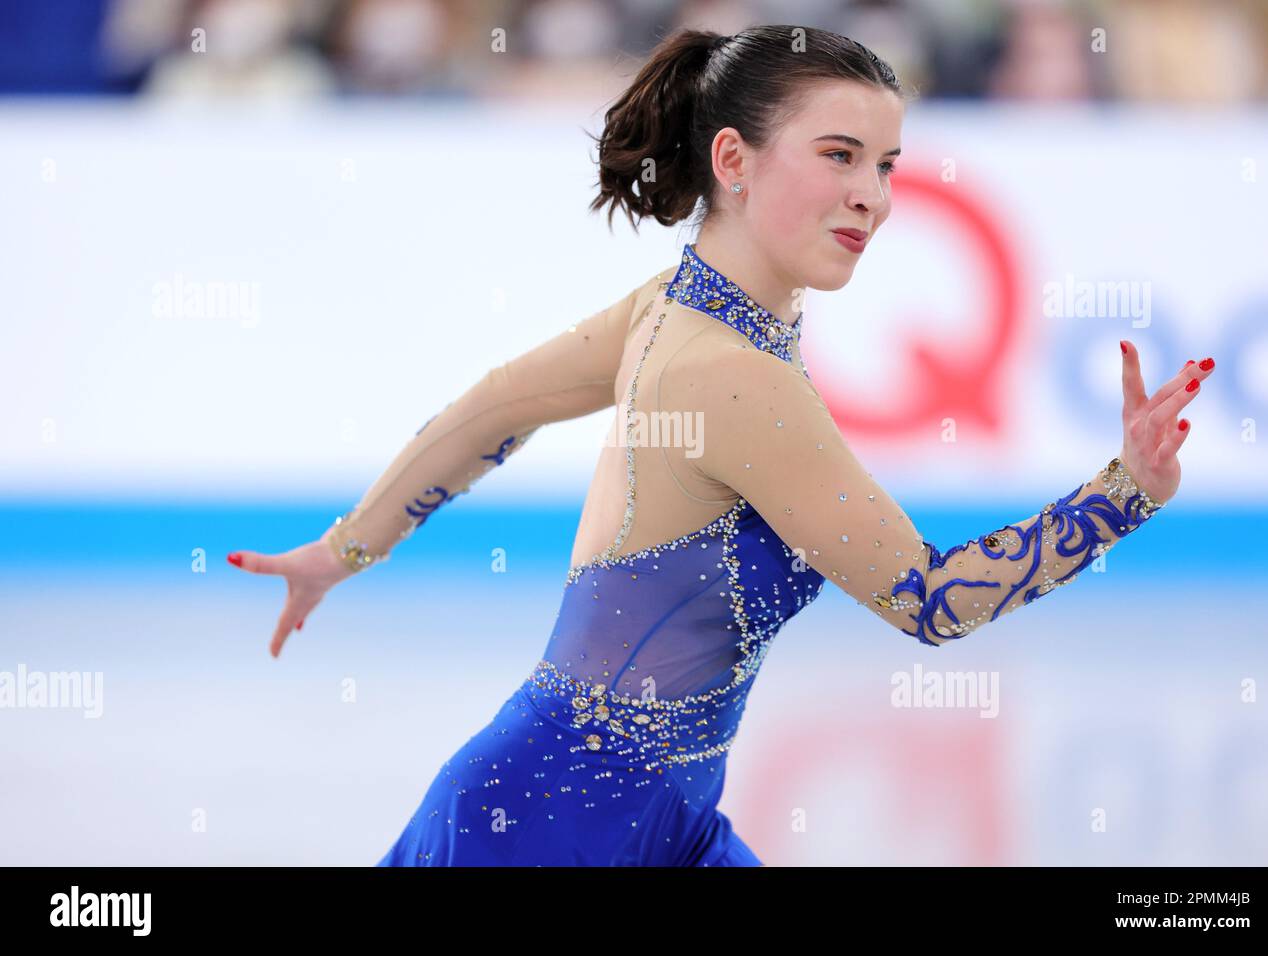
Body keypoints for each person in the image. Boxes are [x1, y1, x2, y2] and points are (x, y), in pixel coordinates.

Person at [229, 25, 1213, 866]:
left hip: (664, 816)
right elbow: (930, 598)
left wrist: (344, 547)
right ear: (733, 163)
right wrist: (1124, 492)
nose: (871, 194)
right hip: (551, 821)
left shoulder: (673, 313)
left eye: (885, 164)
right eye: (838, 155)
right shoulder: (730, 374)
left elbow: (491, 409)